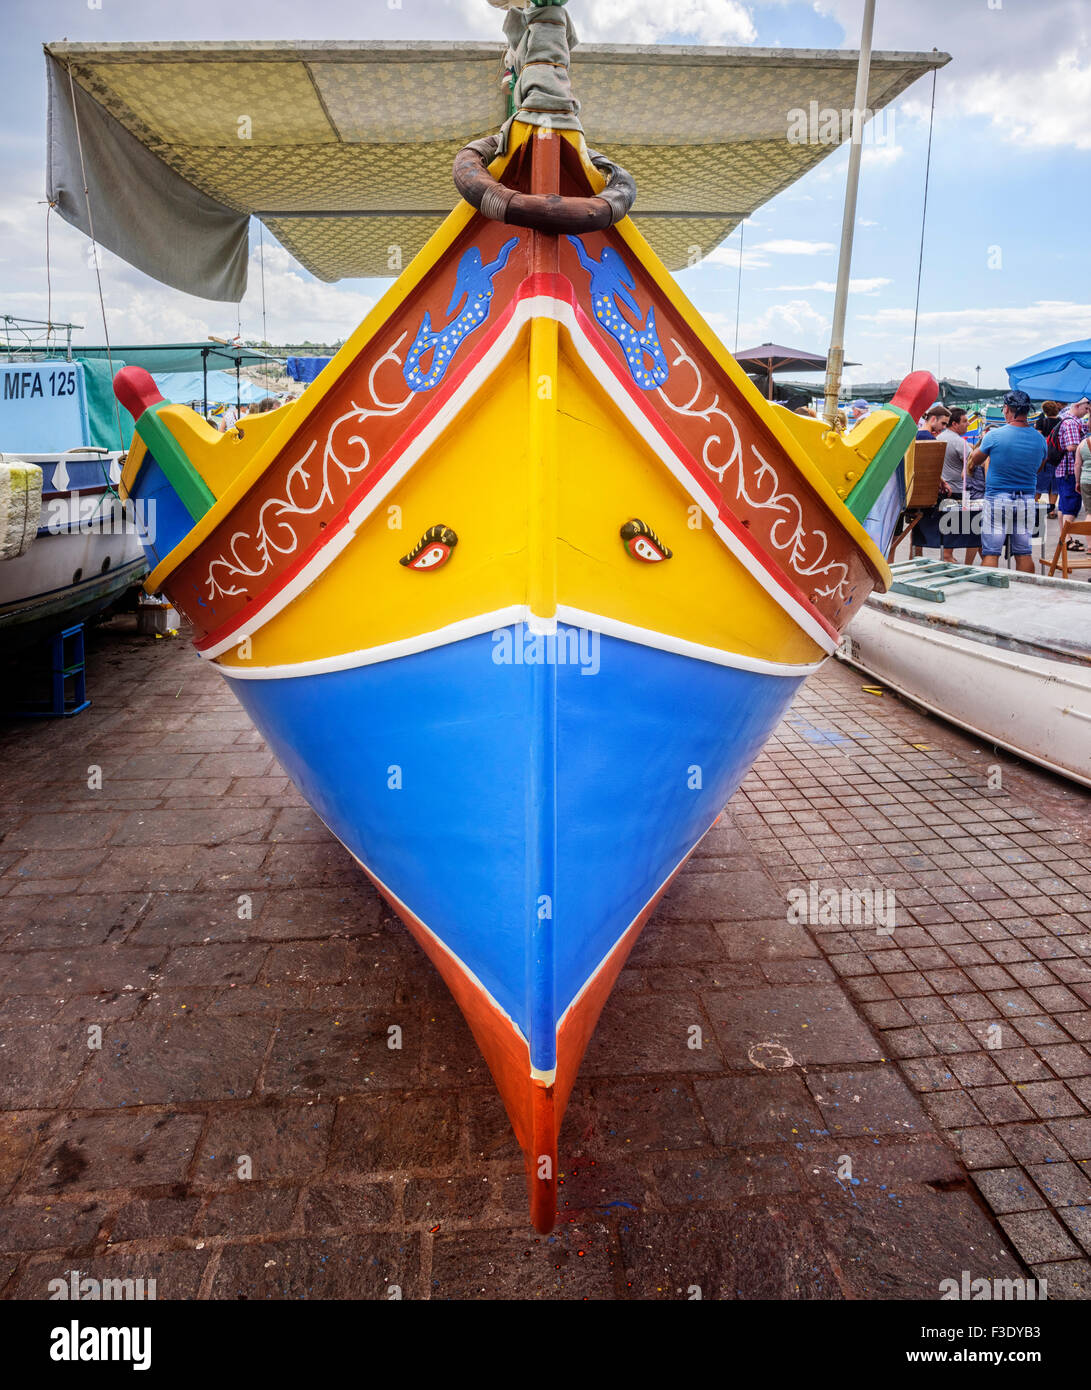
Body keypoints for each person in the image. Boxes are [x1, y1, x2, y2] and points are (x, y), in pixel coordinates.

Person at [966, 389, 1046, 573]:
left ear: (1007, 409)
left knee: (991, 553)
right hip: (1026, 498)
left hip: (998, 498)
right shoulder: (1040, 439)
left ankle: (991, 596)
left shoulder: (994, 436)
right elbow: (1039, 467)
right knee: (1024, 552)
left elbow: (975, 460)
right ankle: (1025, 591)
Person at [937, 408, 981, 564]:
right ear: (954, 424)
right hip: (956, 490)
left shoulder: (940, 437)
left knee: (949, 527)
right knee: (961, 528)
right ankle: (948, 556)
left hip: (943, 489)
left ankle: (948, 555)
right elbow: (973, 462)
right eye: (965, 421)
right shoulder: (958, 442)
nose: (968, 424)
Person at [1055, 398, 1090, 546]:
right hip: (1069, 471)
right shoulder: (1071, 423)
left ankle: (1065, 537)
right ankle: (1066, 538)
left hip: (1063, 470)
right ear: (1077, 405)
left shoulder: (1066, 419)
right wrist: (1083, 447)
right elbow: (1071, 446)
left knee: (1064, 505)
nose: (1087, 411)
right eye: (1086, 408)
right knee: (1071, 506)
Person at [1035, 400, 1062, 515]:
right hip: (1057, 456)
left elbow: (1038, 437)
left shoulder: (1041, 421)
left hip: (1044, 456)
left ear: (1045, 411)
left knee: (1039, 483)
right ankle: (1052, 510)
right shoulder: (1061, 421)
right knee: (1054, 485)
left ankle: (1034, 505)